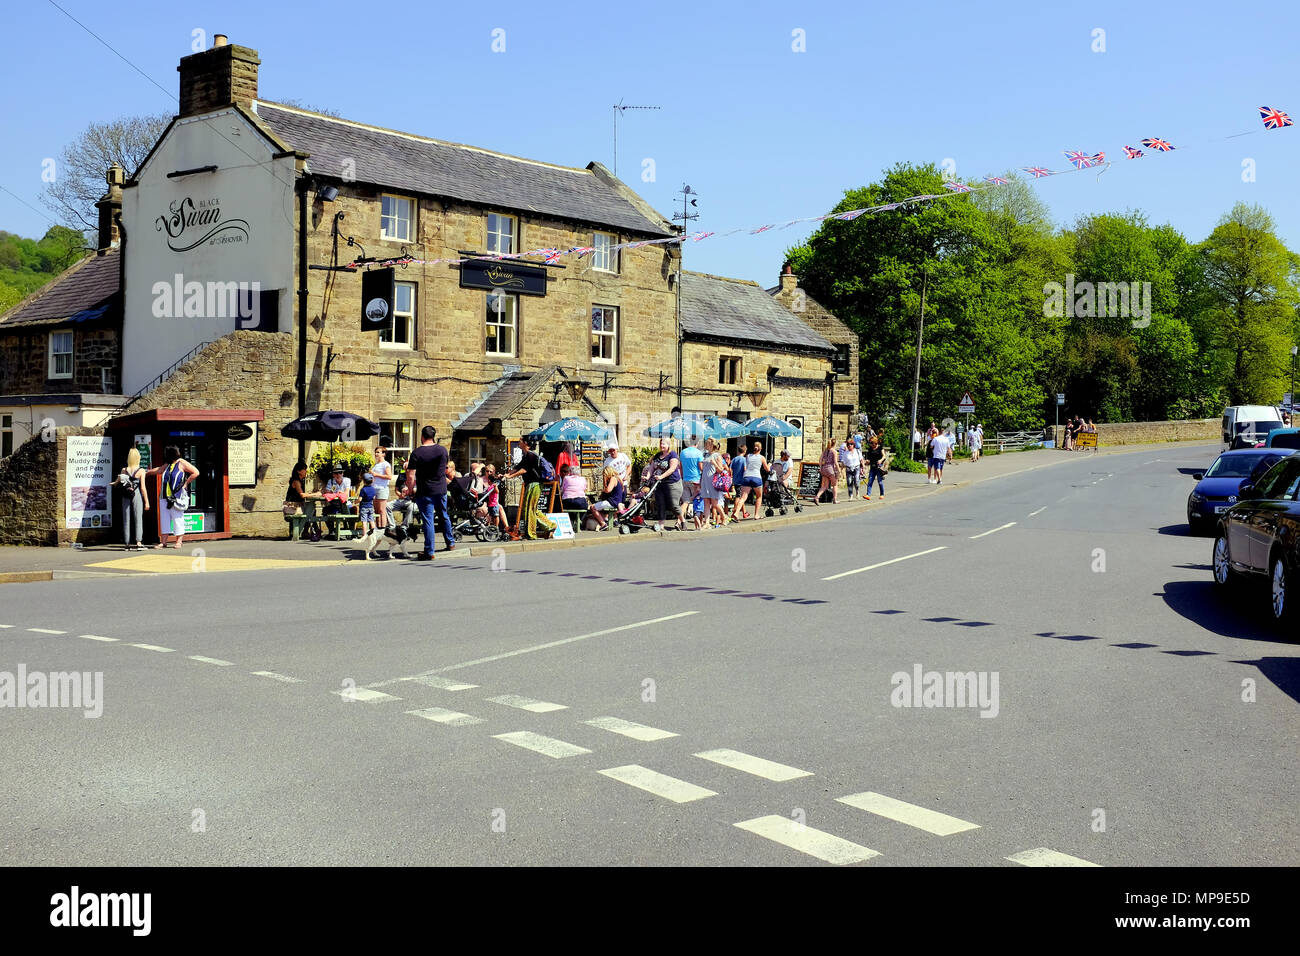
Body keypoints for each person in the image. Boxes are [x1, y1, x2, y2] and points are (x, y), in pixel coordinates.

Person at [404, 424, 455, 559]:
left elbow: (410, 475)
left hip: (425, 491)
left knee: (428, 520)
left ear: (422, 436)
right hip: (441, 489)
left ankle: (429, 551)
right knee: (444, 515)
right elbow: (444, 468)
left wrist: (410, 489)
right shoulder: (443, 450)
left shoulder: (417, 453)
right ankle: (450, 543)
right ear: (433, 436)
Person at [146, 445, 199, 549]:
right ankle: (164, 542)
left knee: (177, 518)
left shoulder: (182, 462)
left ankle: (179, 541)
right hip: (164, 497)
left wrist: (186, 483)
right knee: (164, 519)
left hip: (176, 496)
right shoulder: (168, 464)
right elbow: (159, 470)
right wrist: (147, 472)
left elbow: (196, 472)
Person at [505, 437, 557, 540]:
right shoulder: (526, 456)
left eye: (520, 440)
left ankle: (531, 534)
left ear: (525, 443)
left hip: (535, 484)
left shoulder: (531, 455)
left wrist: (510, 477)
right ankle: (549, 526)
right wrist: (505, 475)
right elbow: (517, 468)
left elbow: (524, 470)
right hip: (530, 484)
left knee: (530, 509)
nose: (518, 442)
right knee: (529, 509)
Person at [647, 438, 684, 533]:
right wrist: (647, 477)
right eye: (660, 444)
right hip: (659, 484)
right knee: (660, 504)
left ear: (668, 445)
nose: (661, 446)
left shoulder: (673, 455)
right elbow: (651, 468)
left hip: (672, 483)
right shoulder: (657, 456)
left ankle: (682, 520)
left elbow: (672, 469)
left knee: (673, 505)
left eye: (663, 444)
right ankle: (661, 525)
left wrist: (661, 476)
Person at [118, 447, 148, 550]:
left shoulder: (124, 470)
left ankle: (127, 543)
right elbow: (143, 488)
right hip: (136, 494)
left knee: (126, 518)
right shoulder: (141, 471)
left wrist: (113, 483)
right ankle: (138, 542)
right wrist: (147, 502)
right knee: (138, 518)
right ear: (138, 458)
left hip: (126, 495)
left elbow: (119, 482)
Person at [734, 441, 767, 519]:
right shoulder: (762, 457)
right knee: (759, 496)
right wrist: (769, 465)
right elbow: (767, 469)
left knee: (743, 497)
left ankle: (736, 513)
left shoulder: (748, 456)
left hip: (747, 477)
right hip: (756, 478)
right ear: (761, 449)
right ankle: (756, 515)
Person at [588, 464, 625, 530]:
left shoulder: (613, 479)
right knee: (598, 507)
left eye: (604, 475)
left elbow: (608, 490)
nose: (604, 476)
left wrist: (604, 489)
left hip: (612, 502)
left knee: (592, 507)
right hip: (617, 502)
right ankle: (605, 521)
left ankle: (603, 524)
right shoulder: (618, 479)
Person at [680, 439, 704, 522]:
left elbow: (681, 467)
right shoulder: (699, 453)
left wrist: (682, 477)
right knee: (698, 501)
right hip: (696, 481)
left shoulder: (683, 452)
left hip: (685, 480)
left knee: (685, 502)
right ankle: (698, 521)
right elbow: (701, 468)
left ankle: (679, 521)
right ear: (697, 443)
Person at [370, 445, 393, 527]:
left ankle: (383, 528)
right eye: (375, 452)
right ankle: (378, 528)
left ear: (383, 454)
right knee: (376, 511)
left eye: (378, 452)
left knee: (382, 510)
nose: (376, 454)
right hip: (374, 489)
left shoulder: (386, 464)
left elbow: (389, 476)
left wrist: (376, 474)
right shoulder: (376, 465)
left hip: (382, 489)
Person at [816, 439, 839, 504]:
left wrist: (820, 468)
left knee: (824, 486)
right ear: (834, 444)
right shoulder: (834, 451)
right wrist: (838, 471)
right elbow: (835, 462)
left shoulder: (825, 450)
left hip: (824, 469)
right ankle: (835, 499)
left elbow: (820, 460)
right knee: (835, 484)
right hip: (830, 469)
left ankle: (817, 497)